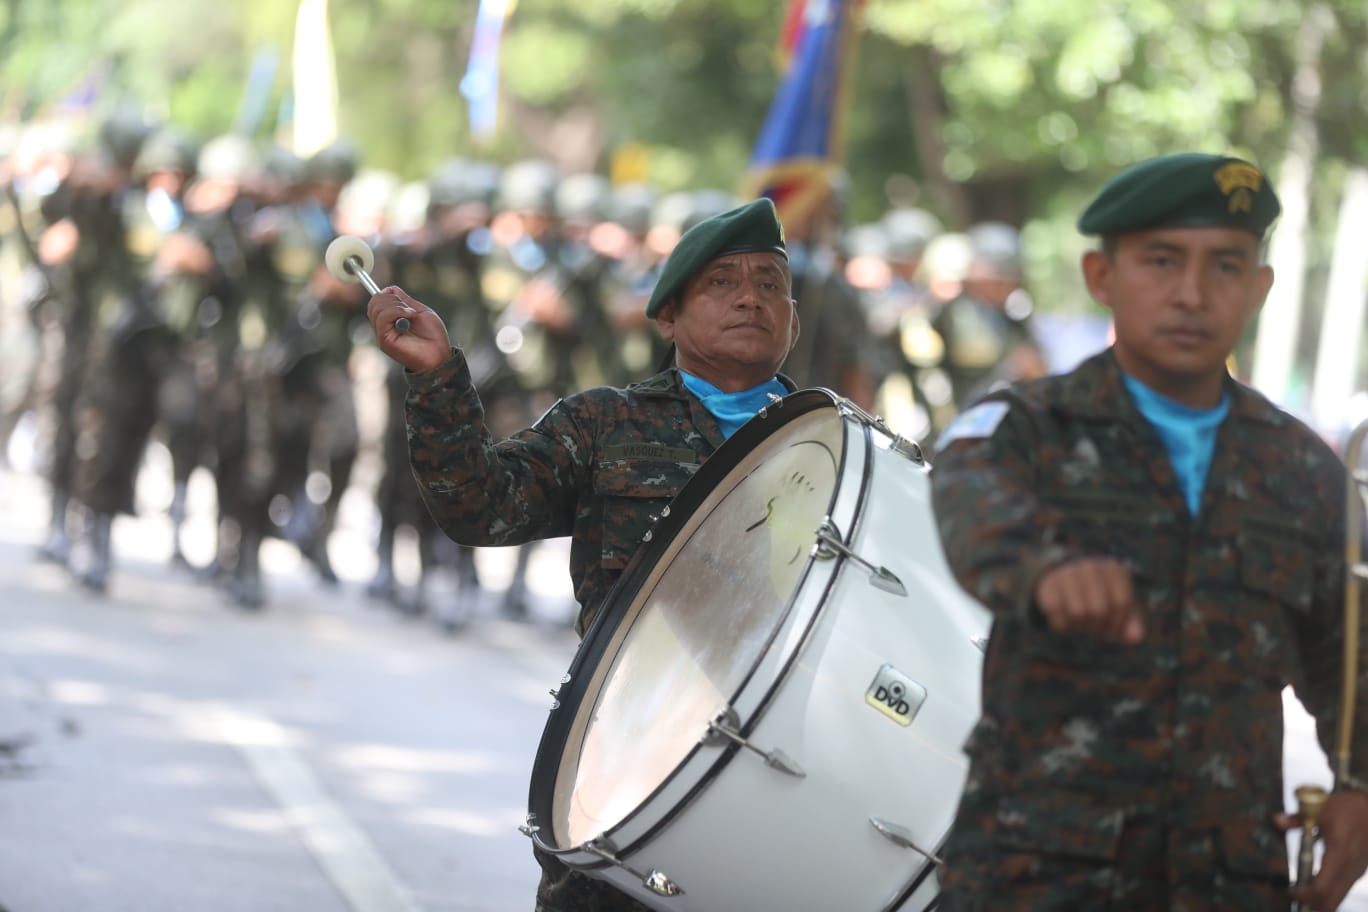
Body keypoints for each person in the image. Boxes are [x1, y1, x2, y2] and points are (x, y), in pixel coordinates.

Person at [929, 152, 1368, 911]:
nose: (1192, 294)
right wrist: (1045, 568)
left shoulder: (1304, 471)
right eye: (1162, 261)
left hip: (1226, 880)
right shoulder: (1026, 428)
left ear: (1259, 288)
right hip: (1040, 872)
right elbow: (972, 507)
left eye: (1225, 266)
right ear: (1102, 276)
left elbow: (1348, 656)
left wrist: (1359, 786)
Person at [364, 197, 800, 912]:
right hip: (625, 770)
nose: (750, 298)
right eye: (721, 282)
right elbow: (479, 505)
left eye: (769, 283)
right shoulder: (605, 423)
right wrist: (437, 377)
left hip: (784, 778)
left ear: (793, 318)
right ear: (668, 317)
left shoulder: (835, 447)